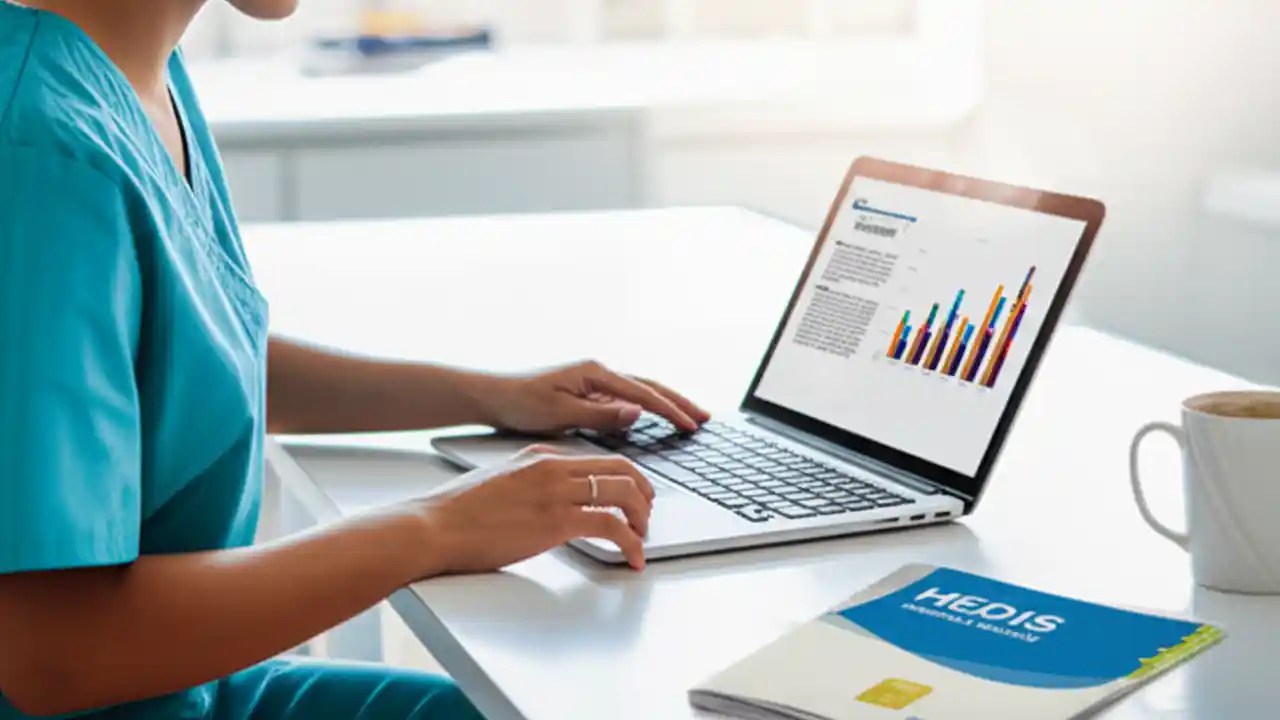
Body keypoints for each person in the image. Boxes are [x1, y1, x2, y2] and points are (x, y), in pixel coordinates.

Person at [0, 1, 711, 718]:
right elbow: (53, 653)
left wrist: (487, 397)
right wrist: (439, 527)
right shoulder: (44, 151)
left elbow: (187, 363)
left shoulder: (135, 73)